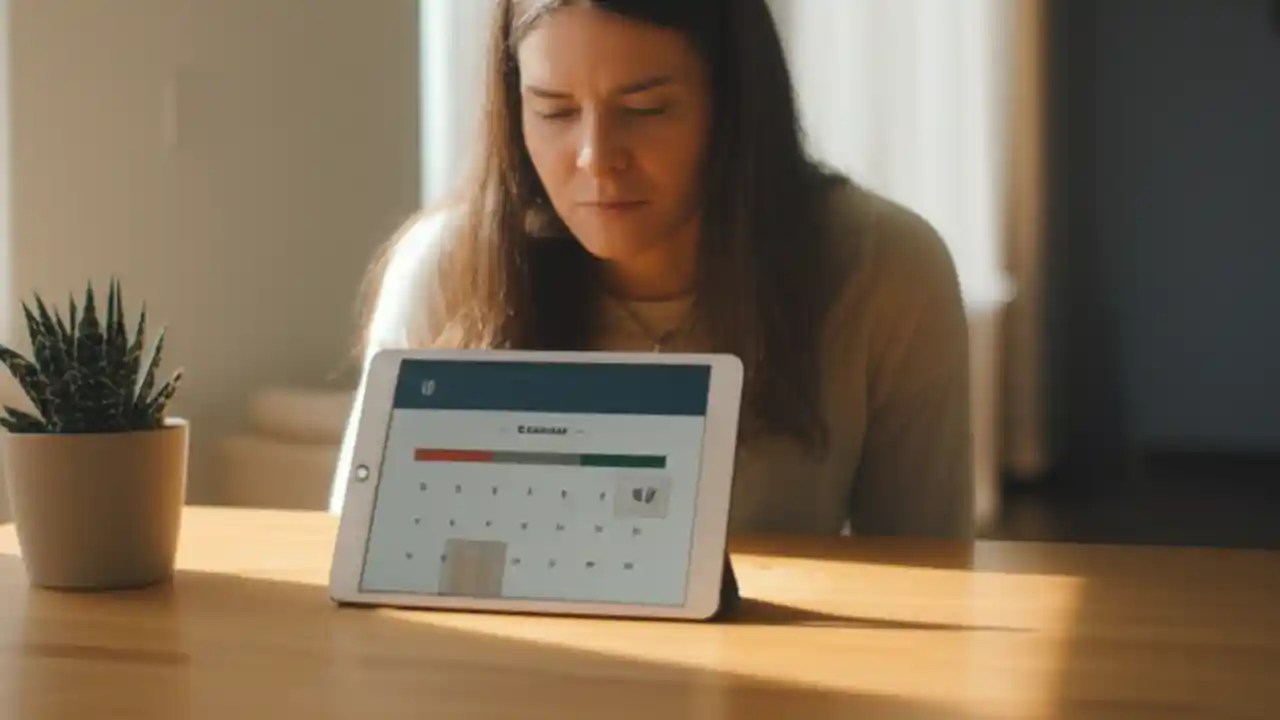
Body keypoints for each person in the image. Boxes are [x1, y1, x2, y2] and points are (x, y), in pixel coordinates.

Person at [331, 0, 974, 539]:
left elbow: (931, 583)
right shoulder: (452, 270)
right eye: (554, 111)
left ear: (735, 107)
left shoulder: (885, 269)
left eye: (646, 109)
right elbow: (358, 562)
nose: (596, 158)